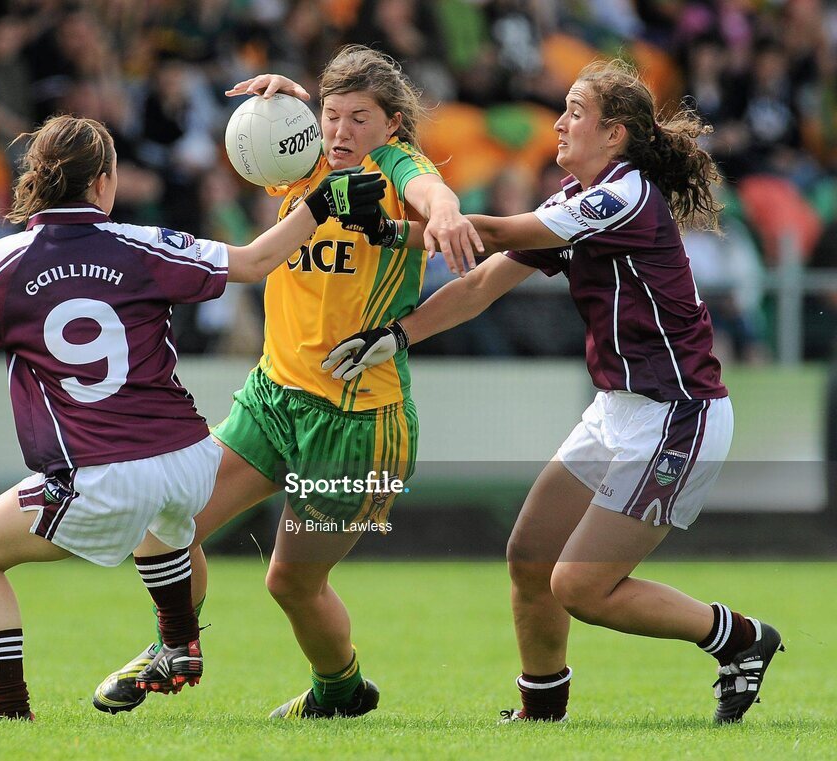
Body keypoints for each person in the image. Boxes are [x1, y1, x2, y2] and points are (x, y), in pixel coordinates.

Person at [322, 59, 782, 724]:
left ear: (615, 134)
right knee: (529, 554)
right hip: (617, 411)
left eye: (573, 110)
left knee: (580, 585)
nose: (559, 123)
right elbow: (481, 282)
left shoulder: (621, 196)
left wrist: (397, 228)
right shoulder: (576, 199)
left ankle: (742, 638)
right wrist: (396, 333)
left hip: (675, 418)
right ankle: (541, 714)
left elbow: (505, 233)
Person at [0, 114, 383, 720]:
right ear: (105, 183)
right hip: (192, 459)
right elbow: (251, 262)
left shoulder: (8, 258)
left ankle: (5, 710)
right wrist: (321, 202)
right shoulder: (145, 243)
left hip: (94, 475)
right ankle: (178, 640)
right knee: (164, 516)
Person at [94, 44, 483, 719]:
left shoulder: (395, 167)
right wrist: (286, 109)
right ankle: (174, 648)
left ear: (392, 125)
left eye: (360, 119)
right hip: (272, 397)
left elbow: (430, 188)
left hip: (359, 423)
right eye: (331, 116)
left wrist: (445, 212)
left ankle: (340, 691)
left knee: (291, 582)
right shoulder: (305, 165)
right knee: (167, 520)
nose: (341, 133)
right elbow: (282, 143)